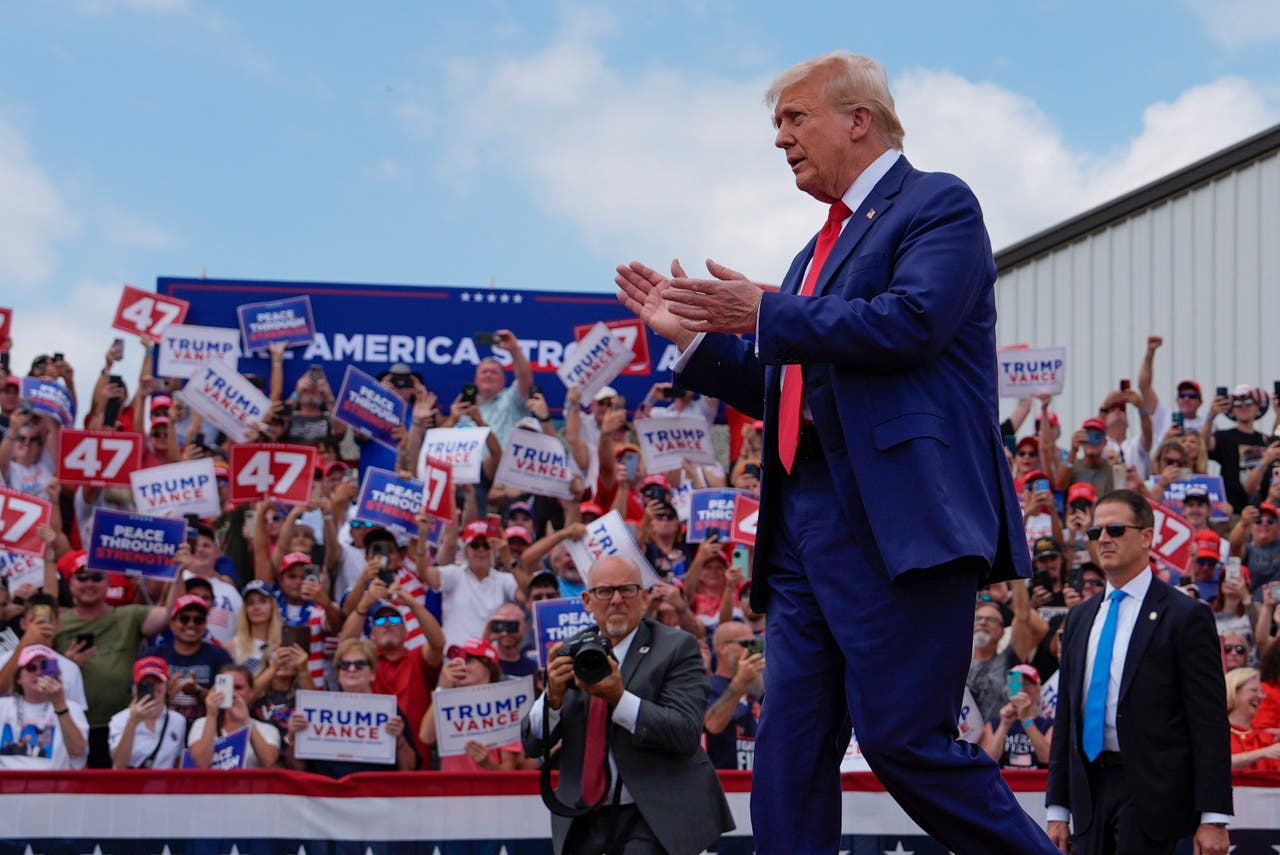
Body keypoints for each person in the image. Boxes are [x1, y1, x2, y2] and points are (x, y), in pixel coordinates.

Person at [616, 49, 1052, 853]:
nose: (780, 137)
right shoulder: (809, 253)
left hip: (894, 518)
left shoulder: (937, 204)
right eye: (777, 123)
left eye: (794, 117)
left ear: (859, 120)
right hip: (801, 521)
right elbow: (790, 386)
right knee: (789, 747)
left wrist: (770, 310)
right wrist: (696, 343)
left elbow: (910, 321)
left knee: (902, 739)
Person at [1046, 489, 1232, 855]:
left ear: (1147, 536)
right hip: (1089, 793)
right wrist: (1057, 809)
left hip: (1152, 794)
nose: (1104, 539)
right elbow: (1066, 718)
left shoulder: (1185, 615)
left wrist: (1214, 817)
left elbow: (1208, 720)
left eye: (1115, 529)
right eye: (1095, 532)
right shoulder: (1081, 618)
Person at [522, 556, 733, 855]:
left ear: (645, 597)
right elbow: (531, 743)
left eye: (629, 590)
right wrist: (552, 701)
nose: (617, 600)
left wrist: (619, 699)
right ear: (587, 600)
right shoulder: (570, 652)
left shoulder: (678, 647)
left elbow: (685, 732)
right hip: (582, 813)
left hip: (656, 811)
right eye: (605, 591)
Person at [283, 638, 419, 776]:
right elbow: (296, 768)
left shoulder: (389, 711)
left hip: (373, 793)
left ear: (372, 673)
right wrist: (293, 736)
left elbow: (409, 768)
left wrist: (400, 740)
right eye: (345, 665)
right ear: (338, 673)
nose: (352, 669)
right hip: (325, 793)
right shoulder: (317, 710)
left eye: (359, 664)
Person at [419, 637, 529, 771]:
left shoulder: (505, 706)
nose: (460, 666)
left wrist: (488, 763)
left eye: (468, 660)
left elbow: (508, 771)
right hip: (452, 789)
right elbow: (426, 737)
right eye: (457, 661)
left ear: (489, 665)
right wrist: (442, 689)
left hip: (487, 790)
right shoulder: (448, 701)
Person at [0, 644, 89, 769]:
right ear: (18, 678)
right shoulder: (3, 706)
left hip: (53, 784)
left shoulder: (72, 708)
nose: (38, 672)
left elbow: (77, 751)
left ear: (56, 674)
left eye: (45, 667)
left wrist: (60, 705)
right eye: (31, 668)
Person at [187, 664, 281, 769]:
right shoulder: (201, 724)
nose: (232, 693)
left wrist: (246, 720)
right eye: (226, 687)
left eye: (238, 688)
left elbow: (268, 762)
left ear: (251, 692)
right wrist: (211, 715)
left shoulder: (267, 729)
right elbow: (201, 763)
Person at [703, 620, 765, 771]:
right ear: (723, 648)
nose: (753, 651)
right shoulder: (707, 687)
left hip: (754, 782)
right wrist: (739, 683)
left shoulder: (758, 691)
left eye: (756, 645)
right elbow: (712, 724)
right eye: (747, 644)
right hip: (724, 785)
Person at [108, 657, 188, 769]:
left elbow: (177, 762)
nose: (153, 687)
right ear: (135, 688)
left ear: (167, 685)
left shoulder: (178, 721)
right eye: (145, 683)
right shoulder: (119, 720)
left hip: (164, 785)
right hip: (131, 785)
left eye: (157, 681)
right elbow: (120, 764)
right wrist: (132, 722)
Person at [980, 663, 1054, 770]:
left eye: (1027, 684)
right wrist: (1004, 725)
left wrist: (1026, 720)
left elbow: (1047, 758)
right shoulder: (994, 725)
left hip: (1037, 785)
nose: (1022, 689)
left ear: (1037, 689)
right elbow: (987, 761)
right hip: (1003, 784)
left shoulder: (1048, 725)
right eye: (1017, 685)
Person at [1224, 667, 1280, 771]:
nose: (1261, 696)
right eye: (1254, 690)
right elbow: (1214, 764)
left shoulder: (1264, 738)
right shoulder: (1216, 732)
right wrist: (1262, 753)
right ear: (1234, 691)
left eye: (1262, 692)